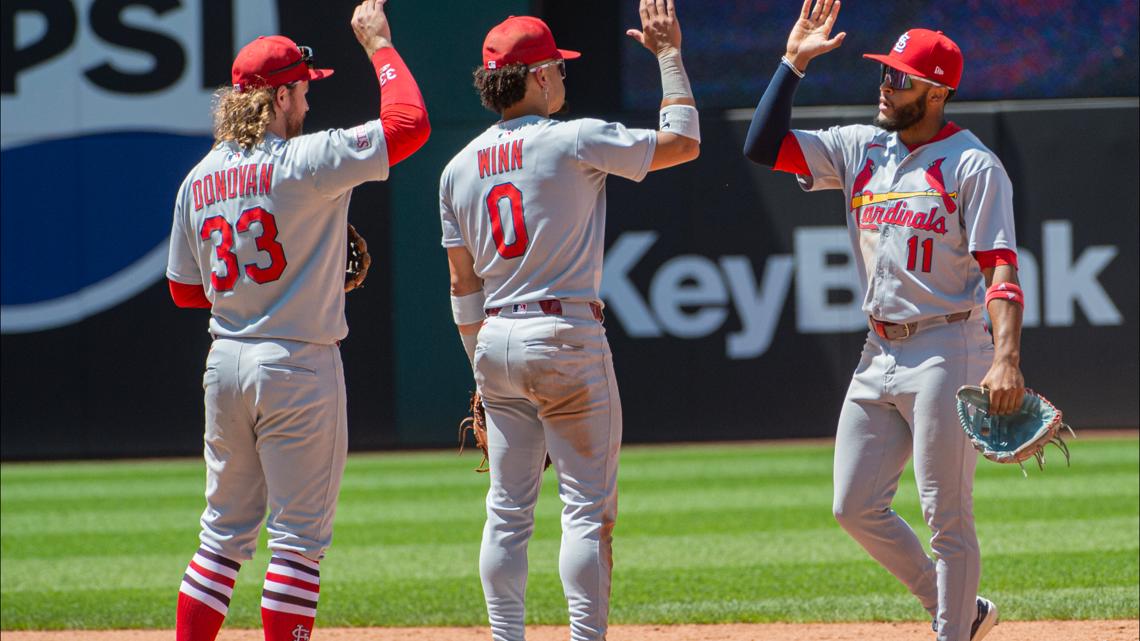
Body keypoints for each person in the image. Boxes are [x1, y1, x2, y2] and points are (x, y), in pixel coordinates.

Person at [742, 1, 1023, 640]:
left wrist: (1005, 358)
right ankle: (963, 612)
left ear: (937, 91)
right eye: (886, 72)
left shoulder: (973, 165)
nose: (886, 83)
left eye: (900, 76)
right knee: (852, 505)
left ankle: (951, 631)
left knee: (945, 516)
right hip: (880, 349)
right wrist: (792, 63)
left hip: (948, 345)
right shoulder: (860, 147)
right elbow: (763, 146)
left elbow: (1001, 270)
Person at [165, 1, 429, 639]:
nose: (308, 102)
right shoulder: (307, 159)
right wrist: (381, 48)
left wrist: (263, 292)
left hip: (225, 363)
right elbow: (410, 123)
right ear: (281, 95)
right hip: (297, 364)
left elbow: (184, 291)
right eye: (304, 91)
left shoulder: (197, 179)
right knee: (297, 546)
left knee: (221, 538)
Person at [438, 3, 700, 640]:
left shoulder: (458, 166)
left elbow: (461, 283)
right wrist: (668, 57)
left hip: (495, 336)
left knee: (506, 512)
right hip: (564, 333)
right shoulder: (573, 137)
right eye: (555, 67)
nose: (562, 76)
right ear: (533, 76)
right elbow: (684, 143)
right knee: (585, 512)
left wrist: (477, 363)